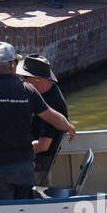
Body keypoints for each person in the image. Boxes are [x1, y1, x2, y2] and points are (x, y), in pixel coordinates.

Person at [0, 41, 75, 200]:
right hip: (24, 168)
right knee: (22, 209)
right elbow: (52, 116)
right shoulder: (28, 89)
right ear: (12, 64)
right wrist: (68, 126)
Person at [16, 54, 69, 182]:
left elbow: (43, 146)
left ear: (38, 79)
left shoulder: (52, 105)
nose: (20, 79)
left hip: (40, 159)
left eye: (25, 77)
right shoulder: (43, 92)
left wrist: (12, 149)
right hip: (28, 145)